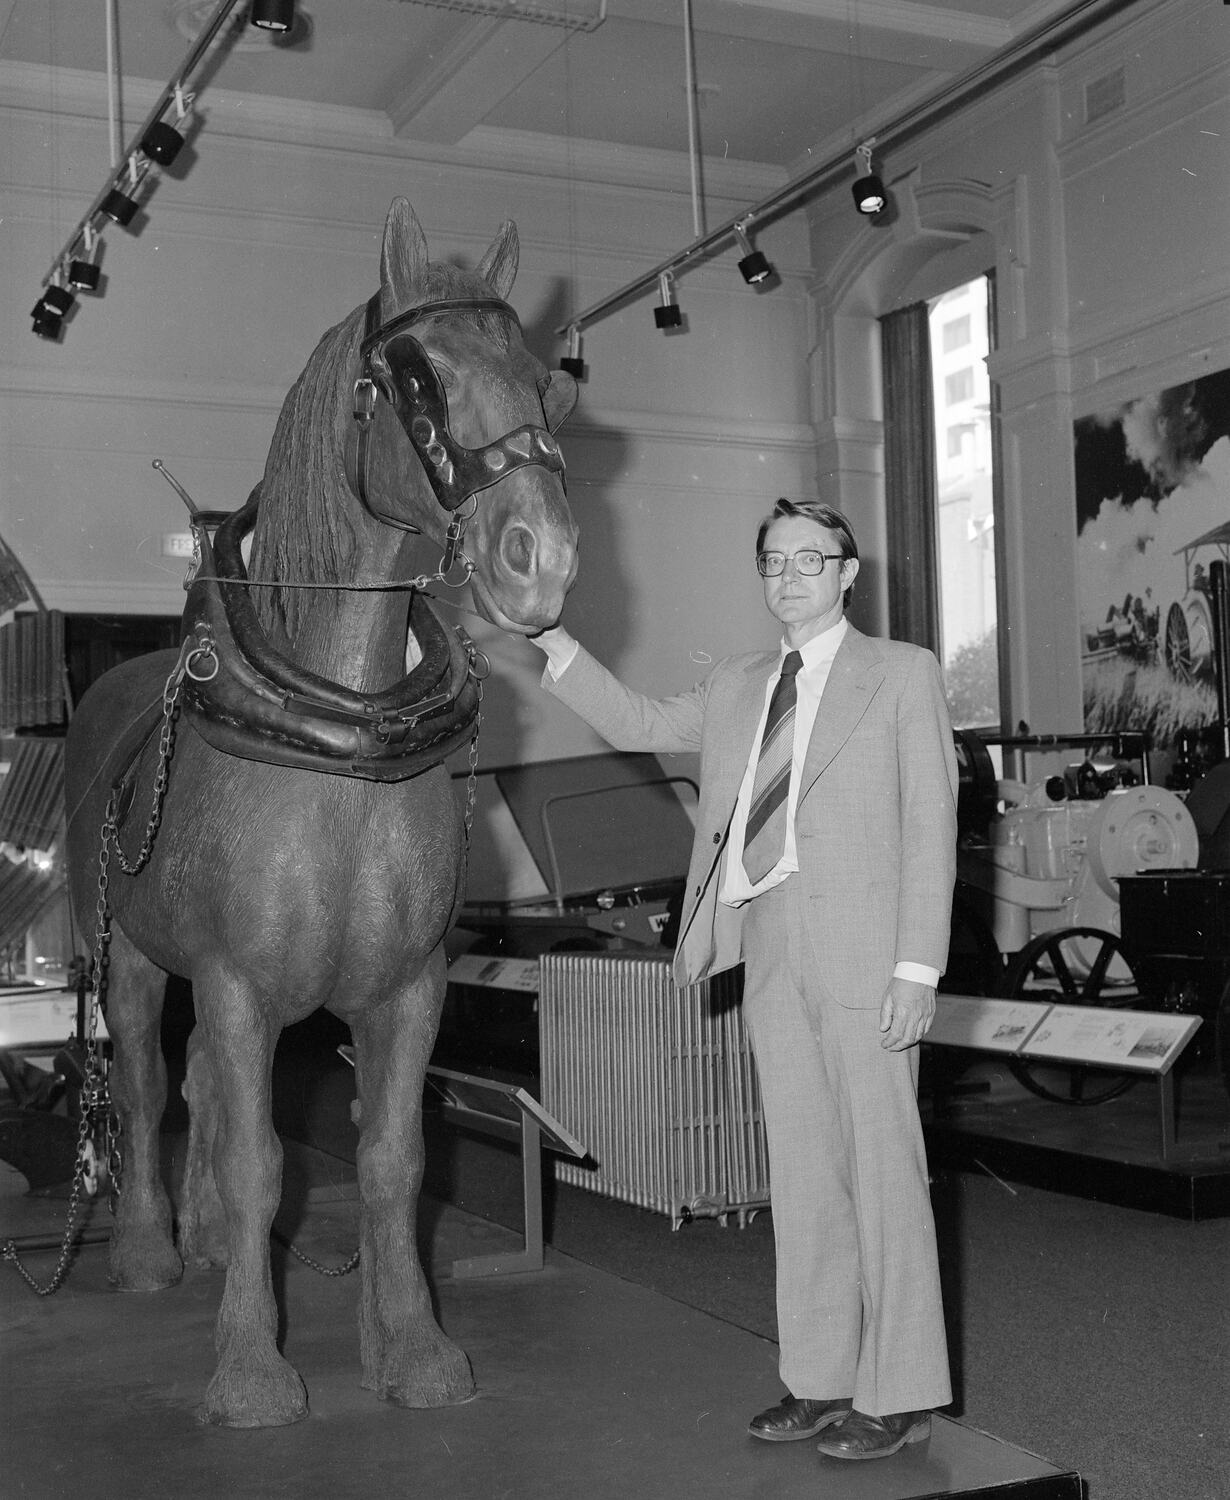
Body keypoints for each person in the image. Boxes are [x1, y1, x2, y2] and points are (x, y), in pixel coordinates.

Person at [523, 497, 957, 1462]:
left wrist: (916, 965)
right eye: (774, 562)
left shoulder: (902, 674)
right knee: (802, 1176)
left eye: (811, 560)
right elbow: (636, 718)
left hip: (865, 951)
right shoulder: (738, 683)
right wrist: (553, 638)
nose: (790, 576)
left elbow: (932, 824)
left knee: (883, 1175)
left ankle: (901, 1391)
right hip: (768, 941)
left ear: (849, 573)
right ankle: (819, 1380)